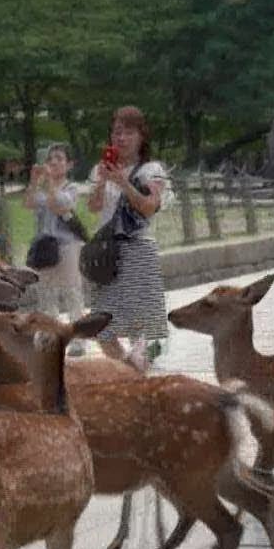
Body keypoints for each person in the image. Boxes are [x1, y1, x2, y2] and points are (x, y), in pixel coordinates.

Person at [87, 106, 170, 364]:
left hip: (137, 249)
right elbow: (93, 207)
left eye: (129, 133)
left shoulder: (151, 170)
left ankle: (140, 370)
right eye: (117, 132)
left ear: (141, 136)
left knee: (140, 328)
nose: (121, 138)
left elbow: (149, 207)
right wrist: (103, 181)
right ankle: (129, 370)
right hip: (107, 253)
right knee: (102, 328)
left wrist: (123, 183)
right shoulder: (101, 169)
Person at [24, 143, 87, 355]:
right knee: (46, 292)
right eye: (50, 158)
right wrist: (34, 180)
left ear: (69, 164)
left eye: (59, 158)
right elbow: (29, 203)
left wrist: (49, 181)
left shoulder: (72, 188)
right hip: (44, 245)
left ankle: (77, 338)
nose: (53, 162)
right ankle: (49, 335)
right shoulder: (43, 188)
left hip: (67, 245)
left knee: (71, 292)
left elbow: (58, 204)